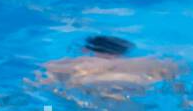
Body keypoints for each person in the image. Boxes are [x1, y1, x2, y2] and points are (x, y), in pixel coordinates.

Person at [40, 35, 180, 98]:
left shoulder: (70, 63)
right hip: (134, 86)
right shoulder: (150, 63)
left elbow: (43, 82)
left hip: (89, 85)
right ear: (124, 52)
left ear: (86, 50)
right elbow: (176, 84)